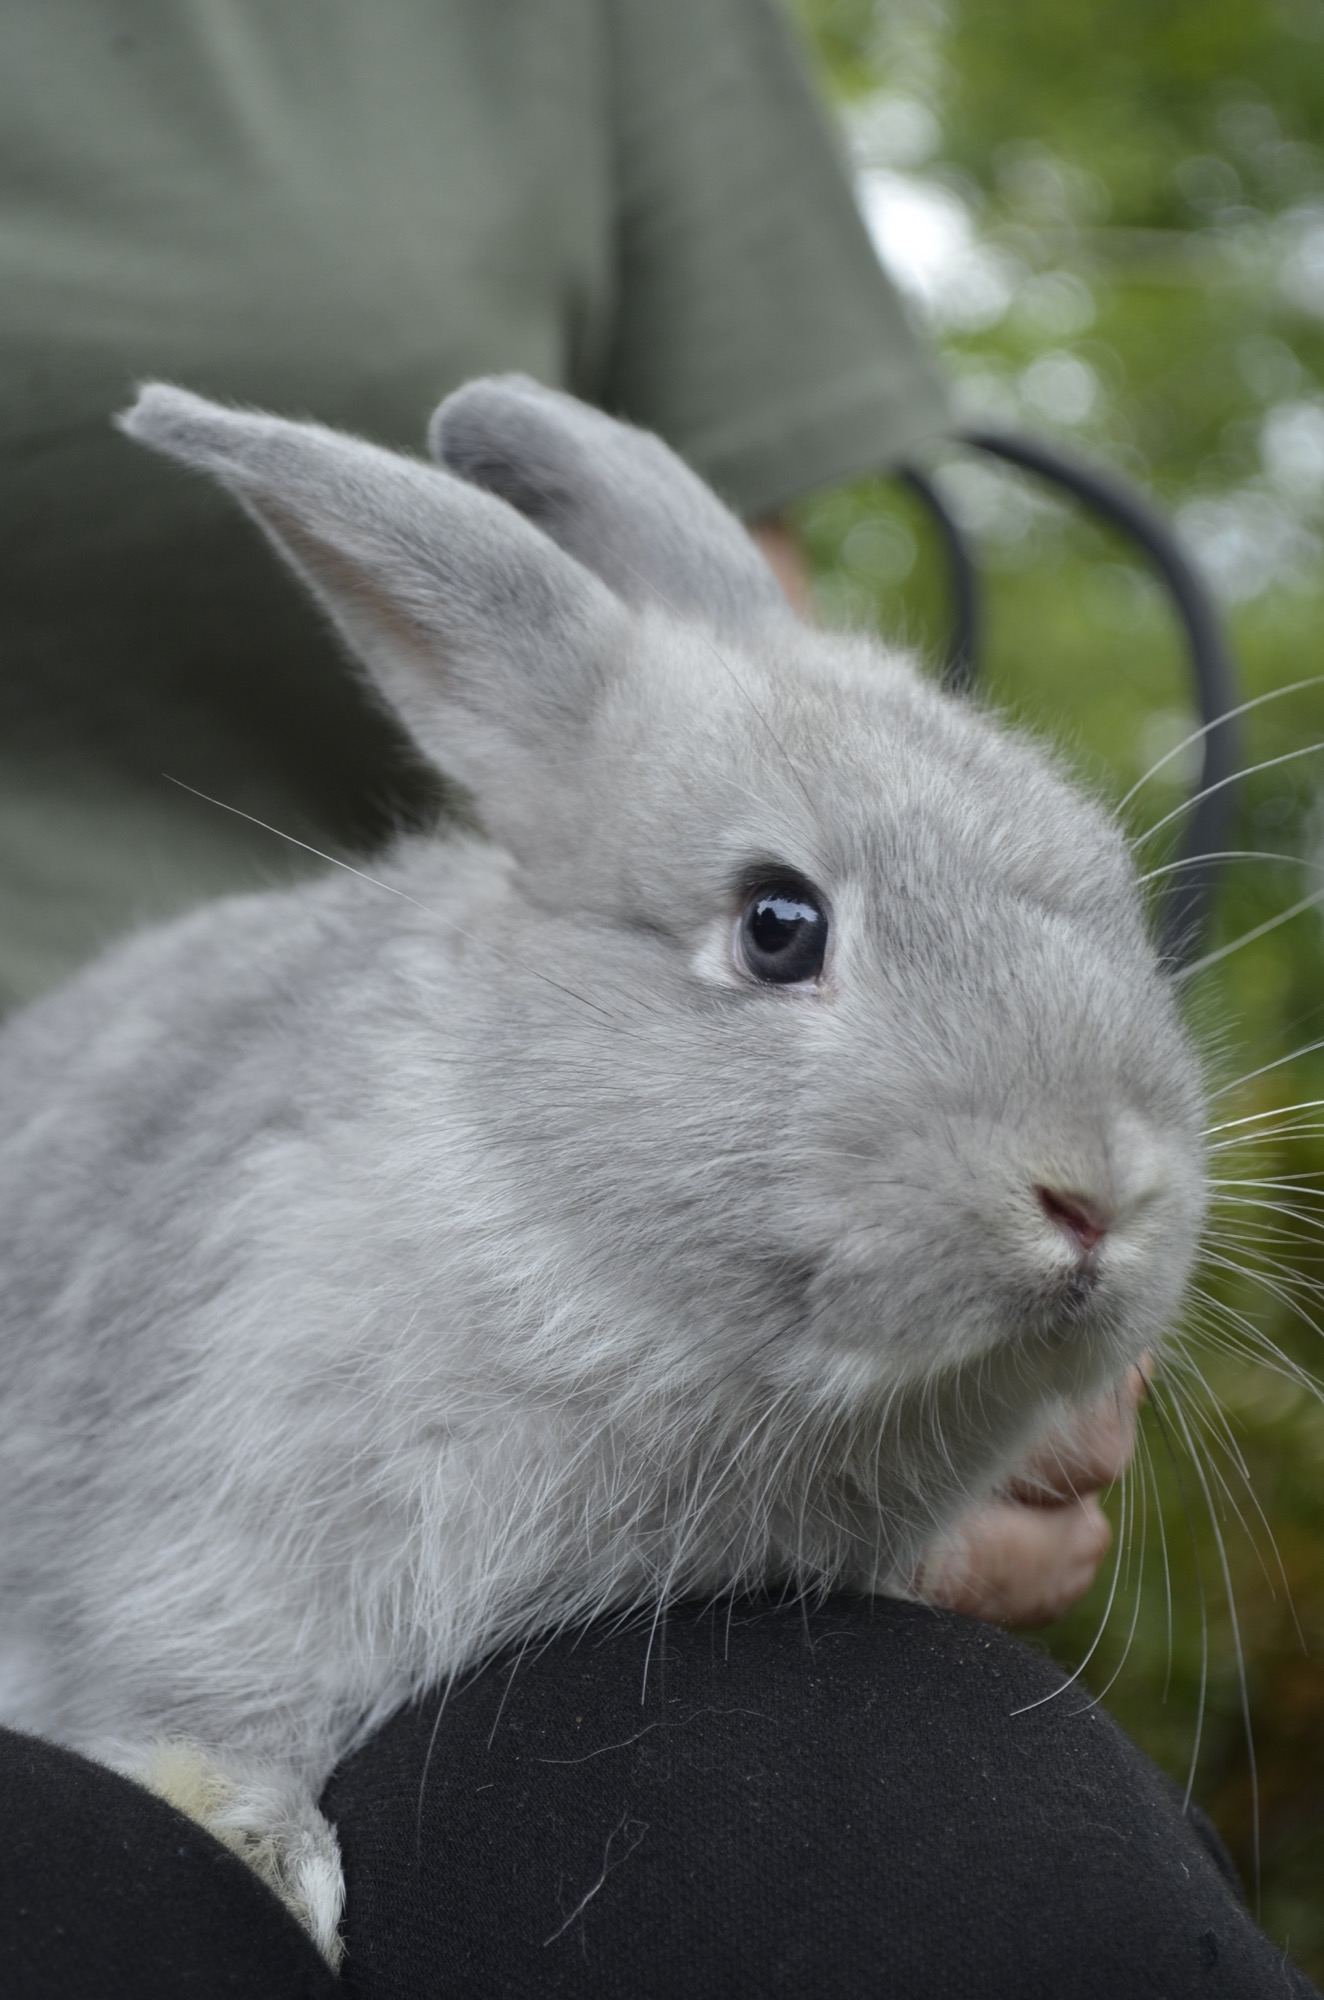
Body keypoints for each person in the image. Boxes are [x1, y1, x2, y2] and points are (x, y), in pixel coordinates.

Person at [2, 2, 1311, 1992]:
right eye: (782, 937)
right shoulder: (362, 1227)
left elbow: (766, 699)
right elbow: (154, 1564)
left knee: (938, 1860)